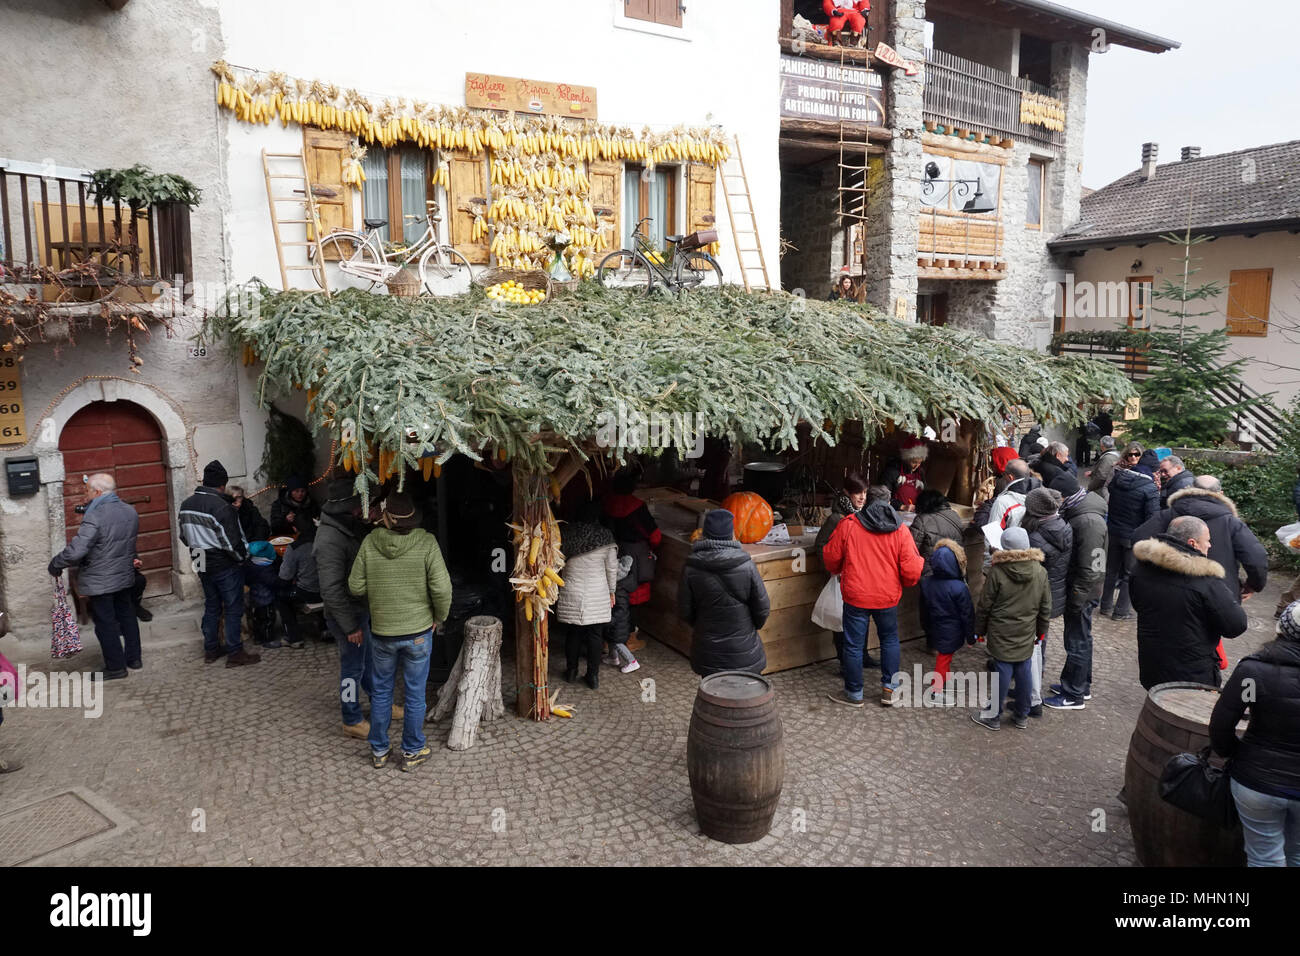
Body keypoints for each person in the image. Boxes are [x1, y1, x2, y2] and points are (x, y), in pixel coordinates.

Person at [348, 491, 452, 772]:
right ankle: (412, 751)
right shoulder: (427, 543)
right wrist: (438, 617)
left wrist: (381, 594)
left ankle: (379, 750)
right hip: (419, 631)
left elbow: (355, 586)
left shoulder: (370, 542)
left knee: (381, 692)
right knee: (415, 694)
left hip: (382, 632)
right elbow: (442, 589)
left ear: (386, 518)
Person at [1209, 602, 1300, 866]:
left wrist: (1234, 754)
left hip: (1257, 781)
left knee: (1264, 857)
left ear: (1282, 628)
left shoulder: (1254, 671)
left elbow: (1222, 724)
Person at [822, 496, 924, 708]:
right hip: (887, 596)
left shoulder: (849, 524)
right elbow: (912, 568)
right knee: (889, 640)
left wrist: (839, 570)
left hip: (856, 595)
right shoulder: (900, 529)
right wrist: (904, 583)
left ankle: (854, 693)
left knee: (853, 644)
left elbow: (831, 557)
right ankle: (890, 689)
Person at [1129, 515, 1248, 689]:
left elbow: (1138, 605)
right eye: (1207, 540)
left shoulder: (1140, 569)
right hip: (1193, 675)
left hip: (1152, 666)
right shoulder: (1205, 581)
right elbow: (1236, 625)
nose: (1210, 545)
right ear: (1192, 543)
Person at [48, 473, 141, 680]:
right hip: (124, 575)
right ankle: (134, 659)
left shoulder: (96, 515)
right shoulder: (130, 511)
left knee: (106, 623)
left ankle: (116, 667)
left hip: (101, 580)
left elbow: (77, 551)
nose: (85, 494)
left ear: (97, 492)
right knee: (127, 616)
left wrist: (56, 563)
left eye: (87, 490)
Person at [1133, 474, 1267, 605]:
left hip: (1169, 590)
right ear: (1221, 493)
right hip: (1218, 594)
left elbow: (1138, 539)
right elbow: (1256, 557)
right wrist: (1253, 585)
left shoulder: (1168, 515)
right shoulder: (1231, 522)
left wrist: (1154, 568)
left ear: (1191, 488)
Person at [315, 478, 379, 740]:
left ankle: (379, 703)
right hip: (347, 617)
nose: (362, 509)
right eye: (359, 506)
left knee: (369, 662)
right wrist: (349, 626)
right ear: (349, 509)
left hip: (358, 610)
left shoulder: (347, 527)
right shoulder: (329, 541)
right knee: (352, 670)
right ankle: (351, 718)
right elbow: (330, 590)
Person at [179, 460, 259, 667]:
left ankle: (211, 650)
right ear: (222, 485)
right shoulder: (222, 507)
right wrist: (243, 559)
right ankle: (235, 652)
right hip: (222, 561)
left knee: (212, 604)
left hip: (199, 558)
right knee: (233, 606)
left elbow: (184, 537)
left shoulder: (186, 504)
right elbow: (231, 543)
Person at [971, 527, 1051, 732]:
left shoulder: (997, 571)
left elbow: (985, 604)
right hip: (1027, 629)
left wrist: (979, 630)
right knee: (1024, 669)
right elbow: (1045, 607)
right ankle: (1021, 715)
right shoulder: (1040, 571)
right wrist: (1041, 632)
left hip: (1001, 630)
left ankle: (993, 716)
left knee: (1003, 669)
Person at [678, 509, 770, 677]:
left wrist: (702, 626)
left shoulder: (691, 567)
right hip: (744, 649)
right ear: (731, 534)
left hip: (707, 650)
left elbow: (684, 610)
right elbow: (762, 608)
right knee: (746, 696)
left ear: (705, 534)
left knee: (713, 694)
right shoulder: (746, 565)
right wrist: (747, 628)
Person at [1044, 473, 1107, 709]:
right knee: (1081, 637)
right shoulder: (1082, 511)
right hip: (1084, 588)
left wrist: (1078, 596)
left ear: (1062, 497)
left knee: (1077, 641)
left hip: (1084, 591)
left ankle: (1073, 695)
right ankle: (1080, 684)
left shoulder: (1089, 521)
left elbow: (1093, 565)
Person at [814, 475, 879, 669]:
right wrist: (833, 569)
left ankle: (863, 655)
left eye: (865, 493)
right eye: (858, 493)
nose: (862, 497)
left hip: (861, 577)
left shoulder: (863, 514)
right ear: (847, 493)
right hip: (843, 577)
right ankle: (845, 661)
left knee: (863, 618)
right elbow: (820, 545)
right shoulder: (836, 518)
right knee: (843, 622)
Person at [1021, 487, 1072, 717]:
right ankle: (1032, 689)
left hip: (1034, 597)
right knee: (1040, 641)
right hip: (1053, 594)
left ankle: (1031, 698)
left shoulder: (1034, 536)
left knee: (1030, 646)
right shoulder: (1065, 527)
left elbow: (1026, 571)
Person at [555, 512, 619, 689]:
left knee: (573, 633)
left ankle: (571, 671)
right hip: (597, 592)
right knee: (595, 635)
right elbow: (612, 568)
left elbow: (555, 563)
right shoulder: (605, 537)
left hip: (571, 590)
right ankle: (593, 676)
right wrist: (612, 591)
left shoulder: (565, 535)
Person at [602, 468, 662, 652]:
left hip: (611, 553)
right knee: (633, 598)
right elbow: (656, 536)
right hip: (636, 558)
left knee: (610, 597)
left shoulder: (606, 504)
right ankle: (630, 639)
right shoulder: (637, 506)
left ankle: (606, 640)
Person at [1100, 443, 1159, 620]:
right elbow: (1152, 518)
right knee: (1128, 574)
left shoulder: (1118, 479)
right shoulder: (1149, 489)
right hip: (1133, 536)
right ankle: (1121, 611)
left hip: (1114, 531)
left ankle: (1105, 605)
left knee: (1111, 570)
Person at [919, 538, 974, 696]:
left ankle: (944, 679)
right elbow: (967, 614)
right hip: (952, 630)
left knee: (945, 657)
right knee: (943, 658)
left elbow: (923, 608)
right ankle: (936, 689)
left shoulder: (927, 583)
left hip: (935, 626)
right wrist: (970, 637)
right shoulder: (960, 588)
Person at [276, 515, 320, 648]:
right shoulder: (324, 541)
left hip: (309, 592)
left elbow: (284, 577)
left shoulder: (295, 547)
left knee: (280, 597)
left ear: (295, 529)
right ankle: (325, 628)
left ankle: (293, 637)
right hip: (329, 587)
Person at [910, 488, 966, 563]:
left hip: (931, 571)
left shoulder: (922, 520)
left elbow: (910, 549)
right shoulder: (954, 515)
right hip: (955, 569)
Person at [987, 458, 1041, 532]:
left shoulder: (1003, 502)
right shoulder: (1043, 494)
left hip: (1010, 543)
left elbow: (994, 534)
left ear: (1010, 477)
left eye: (1004, 474)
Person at [1087, 436, 1121, 501]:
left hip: (1102, 493)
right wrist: (1093, 473)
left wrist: (1090, 487)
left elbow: (1101, 477)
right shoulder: (1117, 454)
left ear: (1102, 446)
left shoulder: (1107, 458)